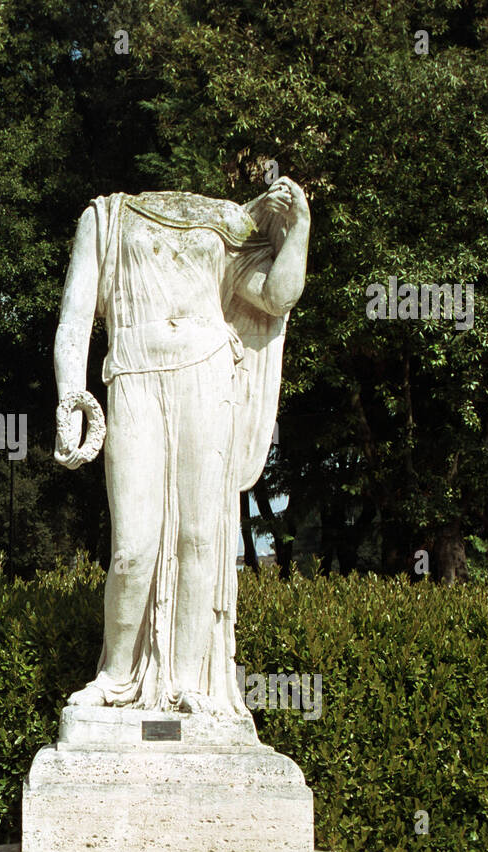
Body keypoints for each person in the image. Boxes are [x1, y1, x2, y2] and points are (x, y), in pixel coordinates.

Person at [53, 178, 310, 716]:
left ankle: (189, 682)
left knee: (201, 538)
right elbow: (74, 319)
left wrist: (300, 227)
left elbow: (276, 296)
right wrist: (71, 397)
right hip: (134, 374)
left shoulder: (225, 222)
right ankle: (115, 675)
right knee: (133, 545)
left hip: (208, 374)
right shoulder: (105, 217)